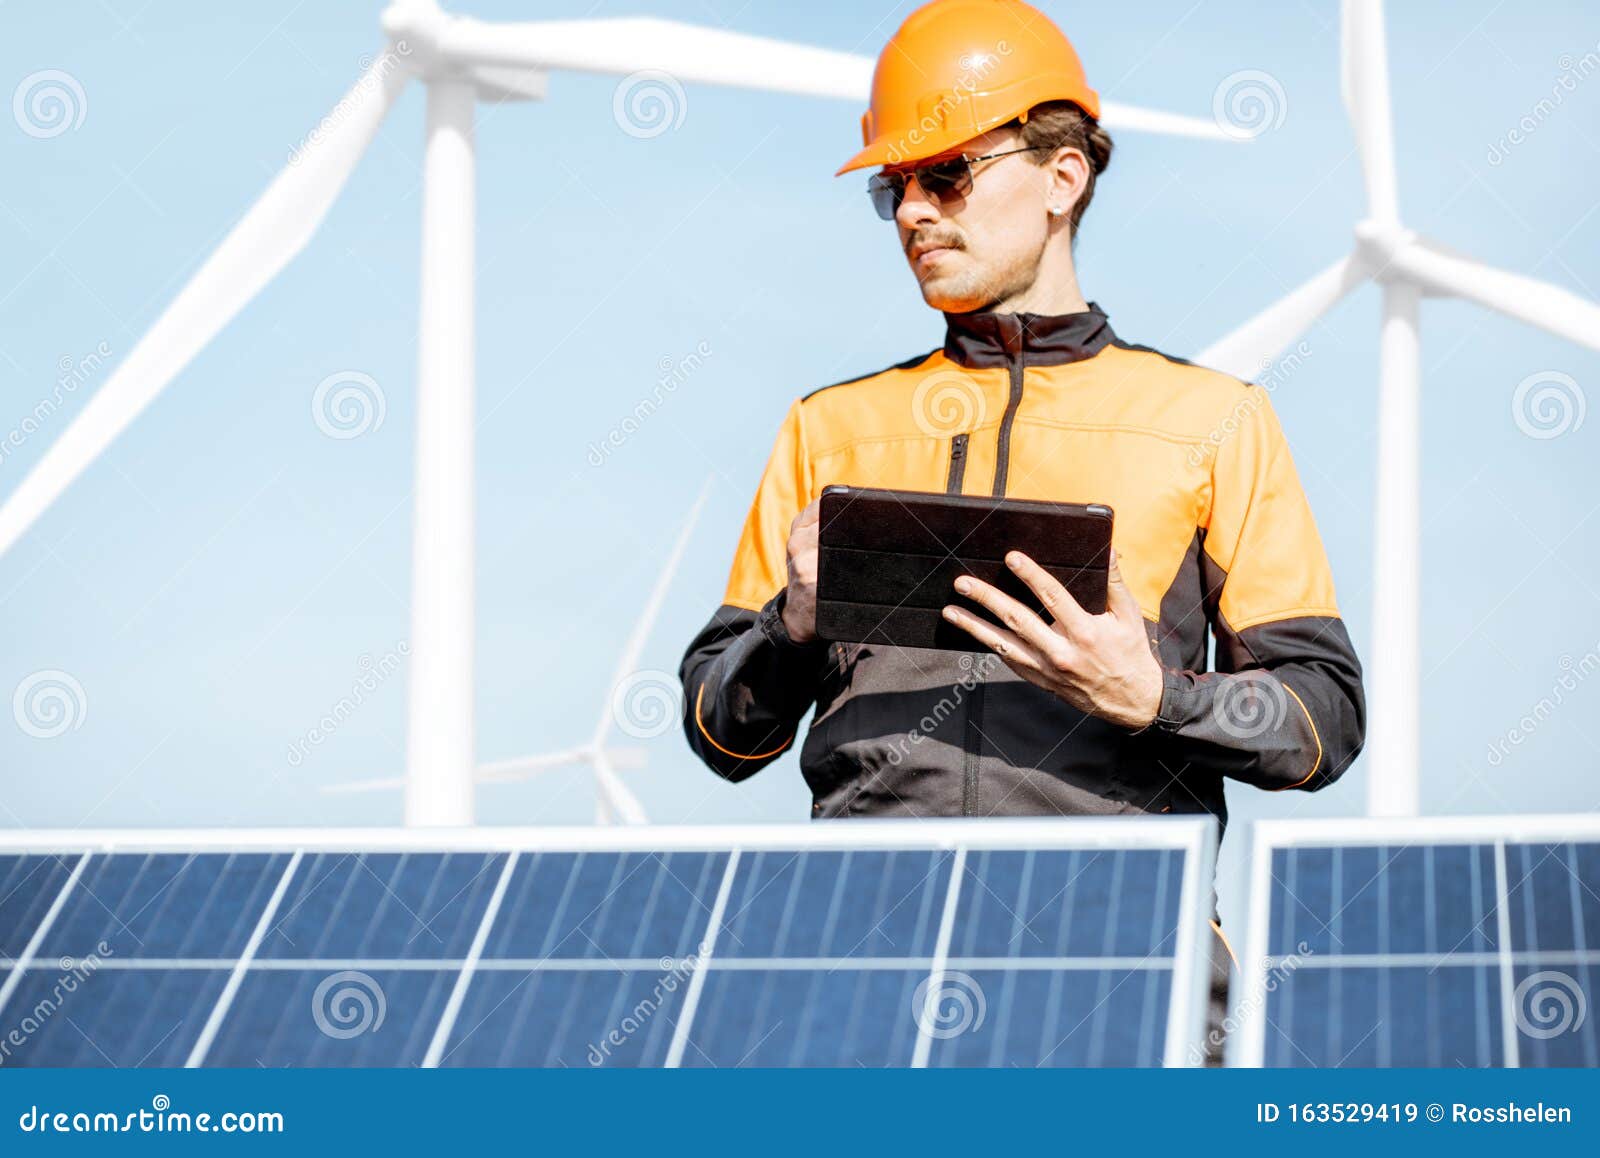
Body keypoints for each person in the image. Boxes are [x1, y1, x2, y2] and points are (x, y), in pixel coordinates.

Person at [676, 0, 1366, 1061]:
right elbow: (721, 732)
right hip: (861, 978)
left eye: (945, 174)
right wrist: (791, 626)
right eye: (891, 188)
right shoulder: (829, 429)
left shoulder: (1214, 422)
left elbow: (1322, 719)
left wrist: (1156, 699)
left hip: (1130, 975)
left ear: (1062, 177)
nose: (912, 211)